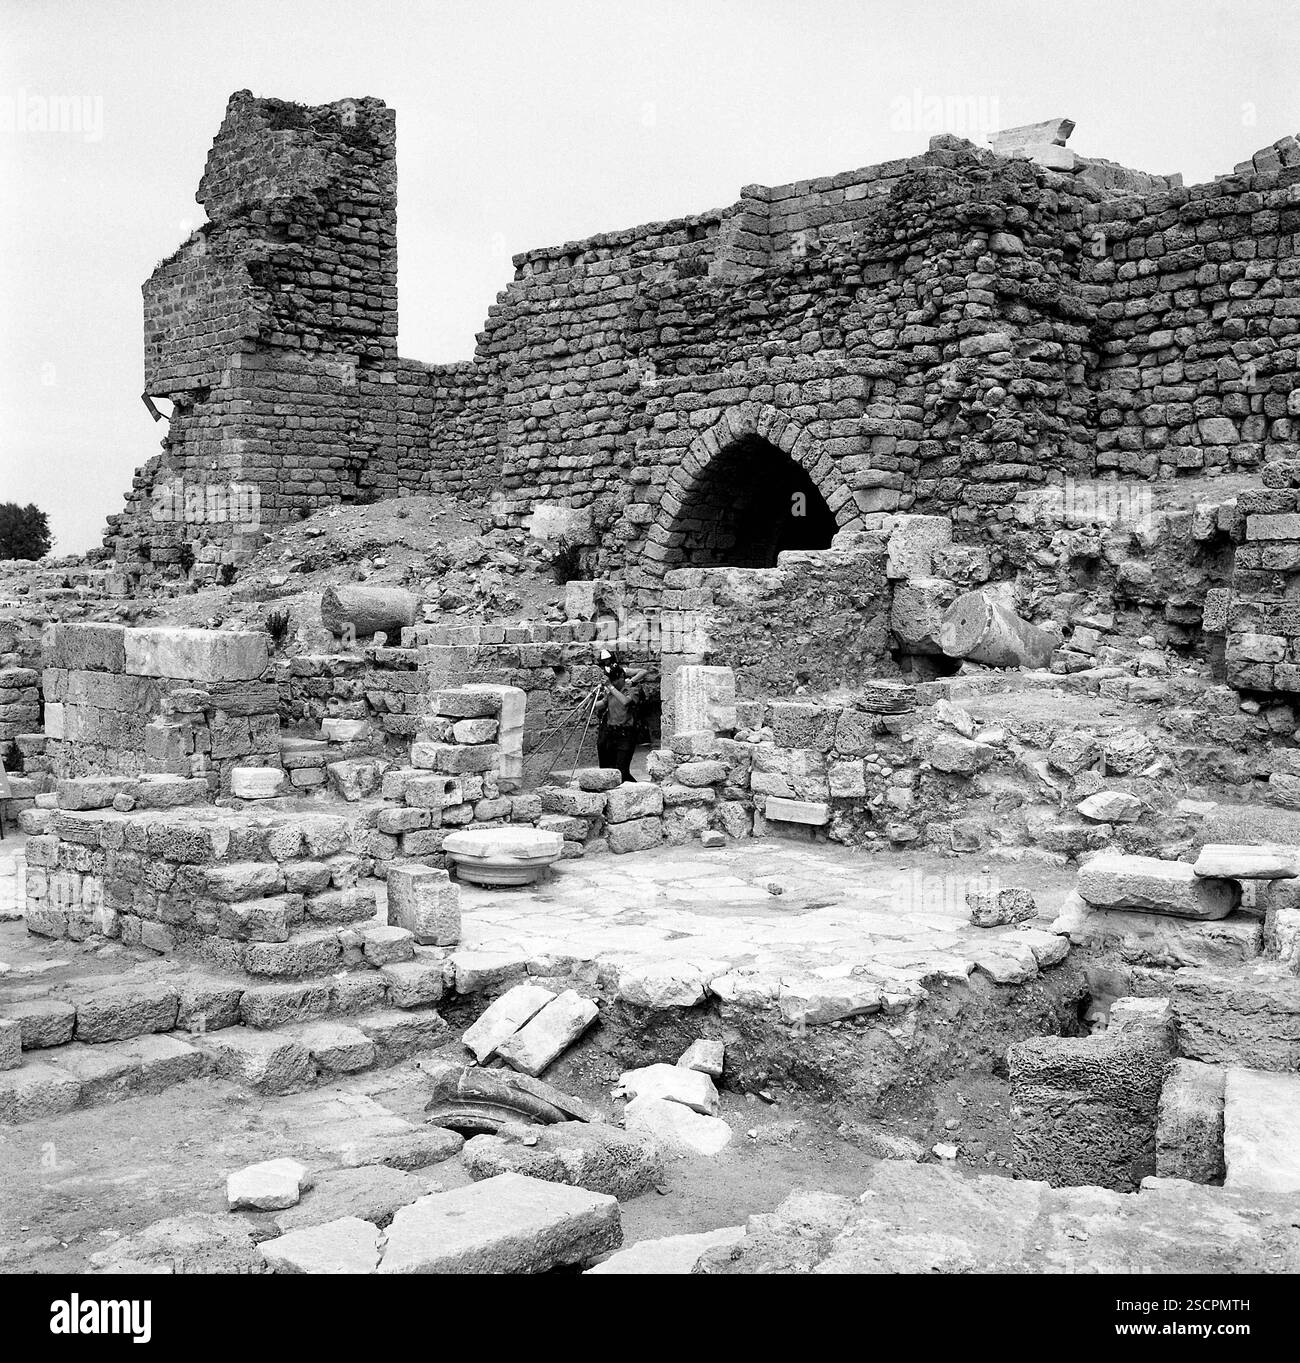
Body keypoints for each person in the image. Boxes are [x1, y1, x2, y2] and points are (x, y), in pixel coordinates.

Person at [594, 650, 646, 782]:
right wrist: (591, 702)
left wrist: (611, 687)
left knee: (622, 771)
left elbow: (625, 702)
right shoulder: (611, 690)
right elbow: (603, 703)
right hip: (611, 732)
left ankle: (639, 791)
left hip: (626, 734)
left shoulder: (632, 689)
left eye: (615, 680)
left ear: (621, 677)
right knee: (609, 769)